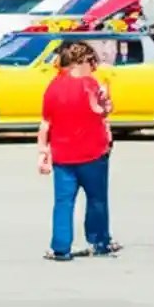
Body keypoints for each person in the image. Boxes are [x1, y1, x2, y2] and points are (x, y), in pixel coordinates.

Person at [37, 42, 113, 261]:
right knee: (97, 199)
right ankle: (99, 240)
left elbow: (45, 123)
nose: (94, 67)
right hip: (93, 153)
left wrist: (42, 153)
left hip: (63, 155)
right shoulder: (92, 85)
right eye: (91, 62)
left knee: (63, 202)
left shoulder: (53, 87)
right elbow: (103, 111)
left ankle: (61, 247)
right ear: (81, 62)